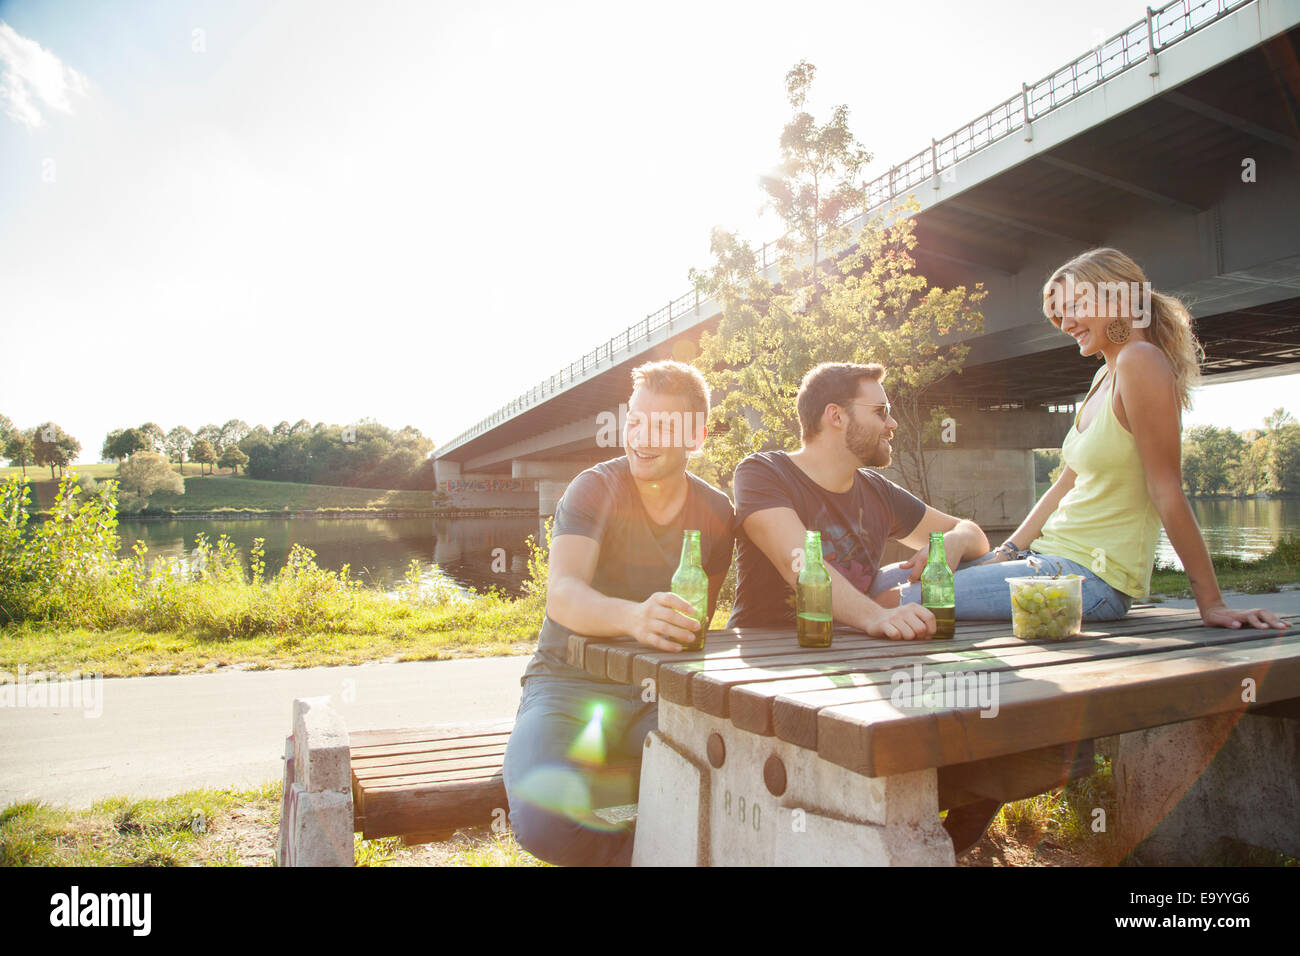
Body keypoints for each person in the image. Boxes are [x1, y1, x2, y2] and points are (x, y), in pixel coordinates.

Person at [886, 247, 1289, 633]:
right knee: (884, 581)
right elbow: (1064, 484)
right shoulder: (1103, 377)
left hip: (1091, 580)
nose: (1064, 324)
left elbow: (1166, 489)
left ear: (1118, 300)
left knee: (902, 599)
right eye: (1058, 314)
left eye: (1075, 307)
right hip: (1045, 559)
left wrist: (1212, 603)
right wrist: (1005, 552)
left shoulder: (1140, 360)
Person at [502, 359, 735, 866]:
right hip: (568, 684)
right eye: (634, 420)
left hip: (659, 691)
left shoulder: (717, 512)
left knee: (737, 773)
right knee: (544, 822)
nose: (640, 438)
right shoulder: (594, 488)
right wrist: (635, 617)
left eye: (660, 425)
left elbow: (696, 628)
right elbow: (562, 594)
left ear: (694, 437)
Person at [727, 361, 990, 640]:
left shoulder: (878, 492)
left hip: (854, 651)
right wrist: (876, 615)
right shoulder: (763, 473)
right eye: (881, 412)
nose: (892, 424)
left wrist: (954, 542)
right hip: (769, 658)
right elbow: (797, 561)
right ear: (836, 416)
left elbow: (974, 536)